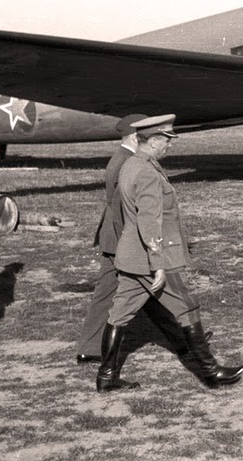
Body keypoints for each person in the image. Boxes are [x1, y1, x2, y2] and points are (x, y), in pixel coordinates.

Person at [96, 114, 243, 392]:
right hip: (152, 259)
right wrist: (158, 265)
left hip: (129, 257)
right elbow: (149, 222)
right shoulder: (147, 173)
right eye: (166, 140)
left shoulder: (131, 165)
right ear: (151, 141)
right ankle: (210, 373)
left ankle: (106, 378)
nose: (170, 145)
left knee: (120, 314)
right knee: (186, 309)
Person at [76, 114, 147, 364]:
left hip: (115, 237)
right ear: (136, 136)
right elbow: (121, 208)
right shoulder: (125, 162)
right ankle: (188, 338)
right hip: (121, 237)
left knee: (111, 293)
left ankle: (90, 346)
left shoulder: (123, 158)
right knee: (156, 287)